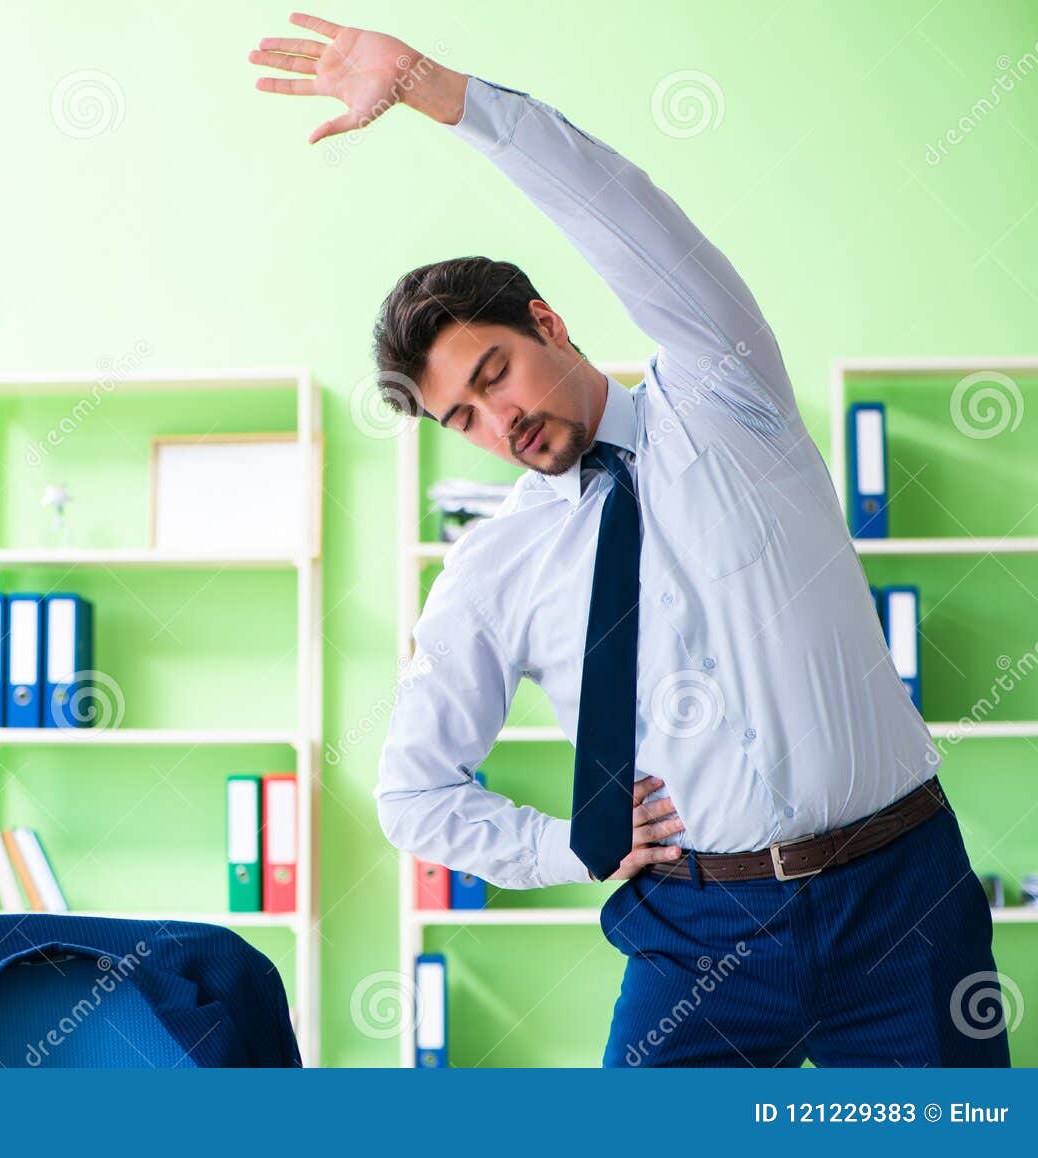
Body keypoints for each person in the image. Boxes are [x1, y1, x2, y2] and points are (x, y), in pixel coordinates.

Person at [251, 12, 1010, 1067]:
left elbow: (624, 214)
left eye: (495, 375)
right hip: (696, 936)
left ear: (547, 323)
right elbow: (412, 793)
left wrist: (435, 89)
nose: (498, 423)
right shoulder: (493, 568)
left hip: (901, 902)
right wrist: (568, 845)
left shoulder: (726, 396)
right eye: (461, 419)